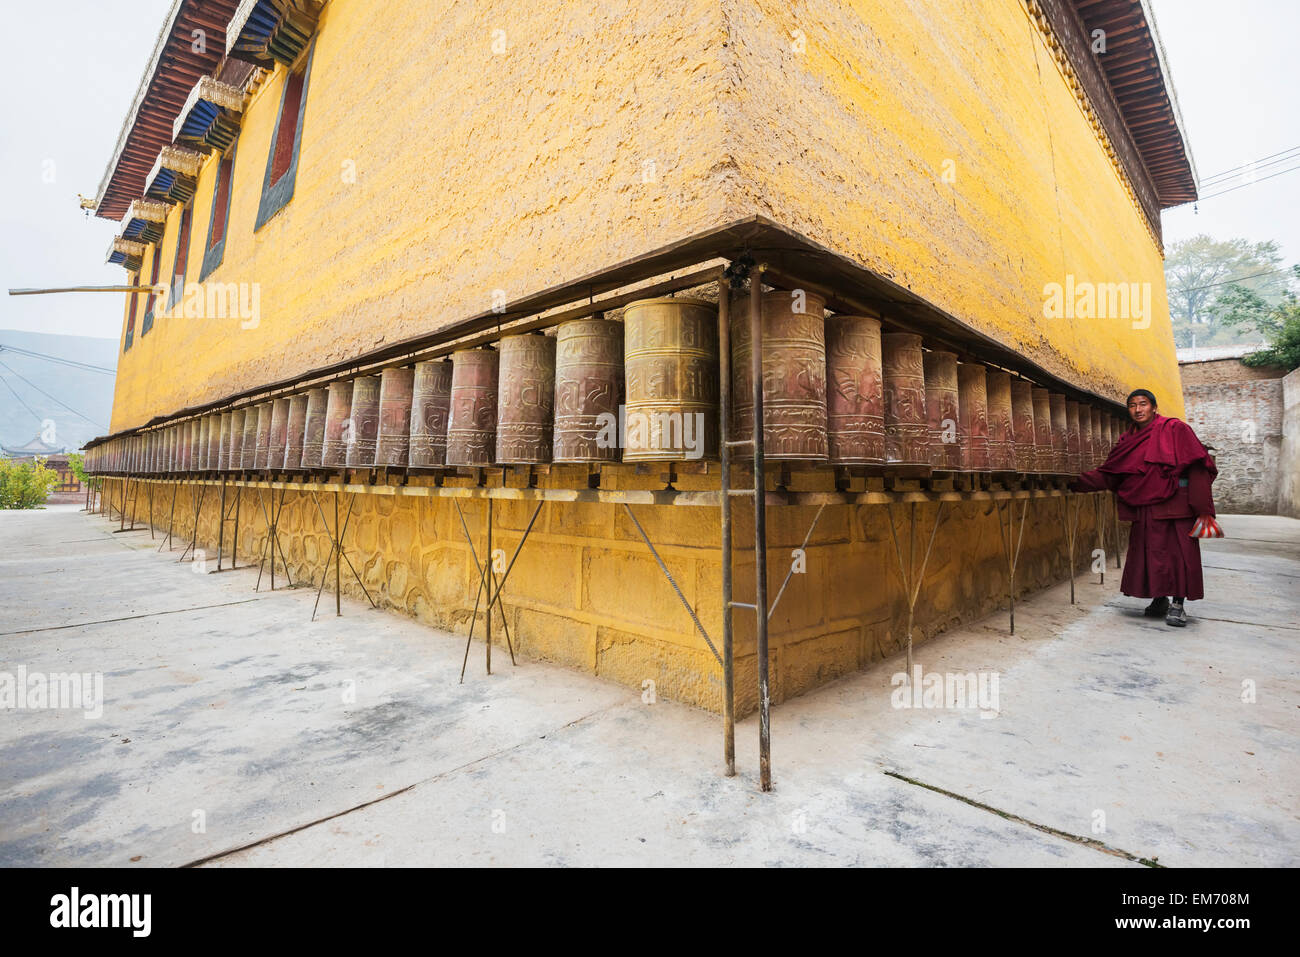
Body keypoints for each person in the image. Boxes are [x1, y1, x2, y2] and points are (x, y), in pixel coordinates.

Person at [1071, 389, 1217, 627]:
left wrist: (1202, 506)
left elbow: (1199, 466)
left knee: (1179, 555)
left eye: (1143, 404)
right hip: (1146, 507)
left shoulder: (1175, 429)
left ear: (1154, 407)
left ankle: (1178, 605)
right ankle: (1159, 599)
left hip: (1177, 506)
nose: (1138, 409)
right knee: (1151, 554)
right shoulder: (1128, 440)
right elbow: (1113, 474)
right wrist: (1075, 483)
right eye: (1132, 405)